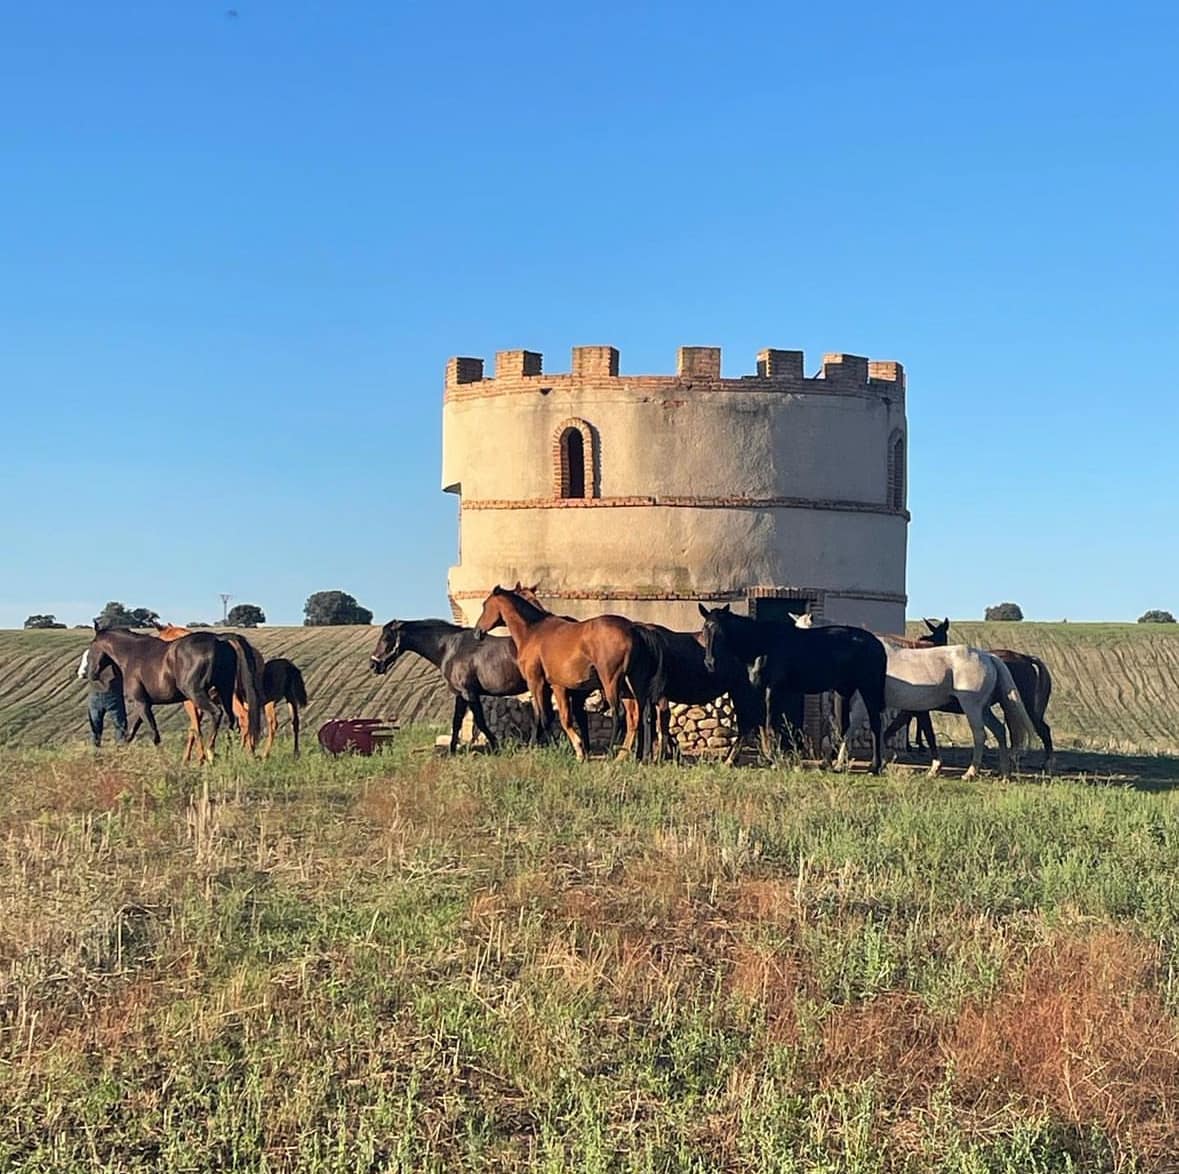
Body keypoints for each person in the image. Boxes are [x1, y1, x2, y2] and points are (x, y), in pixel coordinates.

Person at [78, 648, 128, 747]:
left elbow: (81, 674)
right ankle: (121, 751)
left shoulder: (89, 652)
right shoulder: (117, 653)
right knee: (120, 727)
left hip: (95, 694)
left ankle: (95, 753)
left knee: (95, 728)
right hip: (113, 694)